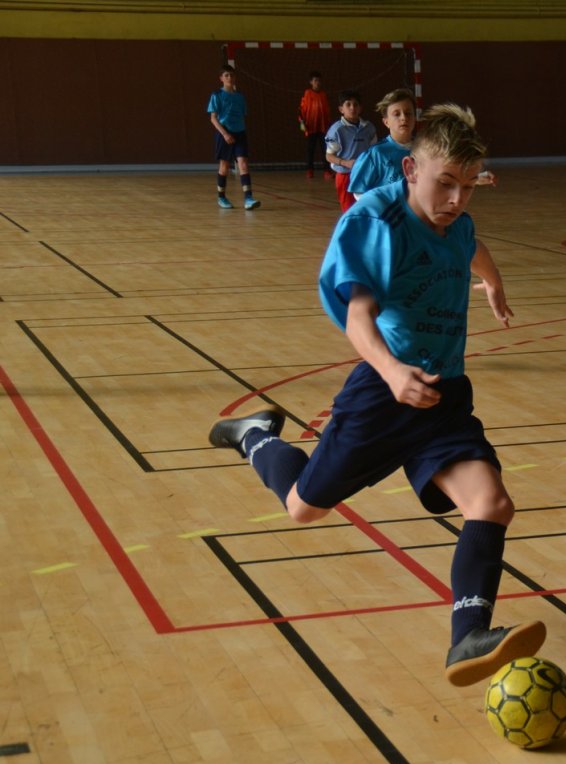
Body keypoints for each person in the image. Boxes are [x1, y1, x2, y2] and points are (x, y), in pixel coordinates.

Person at [208, 104, 543, 687]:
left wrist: (494, 283)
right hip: (384, 393)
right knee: (302, 509)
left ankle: (468, 638)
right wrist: (390, 372)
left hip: (443, 396)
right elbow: (359, 315)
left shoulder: (457, 224)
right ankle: (254, 434)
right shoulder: (376, 220)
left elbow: (471, 246)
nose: (457, 199)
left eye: (468, 187)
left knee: (492, 505)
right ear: (411, 168)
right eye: (445, 183)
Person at [206, 65, 260, 210]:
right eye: (227, 75)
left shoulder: (240, 97)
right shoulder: (216, 95)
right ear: (221, 78)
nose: (230, 78)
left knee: (243, 164)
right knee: (224, 166)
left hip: (240, 133)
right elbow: (213, 118)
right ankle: (221, 197)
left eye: (232, 75)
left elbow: (242, 115)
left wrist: (238, 131)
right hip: (224, 133)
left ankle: (248, 198)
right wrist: (225, 133)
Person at [347, 88, 418, 197]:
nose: (403, 118)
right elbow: (359, 192)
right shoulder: (376, 154)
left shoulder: (425, 150)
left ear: (415, 118)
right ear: (386, 122)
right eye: (396, 114)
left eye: (408, 113)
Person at [324, 89, 378, 212]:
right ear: (341, 109)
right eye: (348, 104)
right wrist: (345, 163)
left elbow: (374, 151)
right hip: (345, 175)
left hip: (365, 174)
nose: (352, 107)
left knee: (366, 209)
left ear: (360, 108)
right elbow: (329, 156)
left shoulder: (369, 128)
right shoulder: (336, 130)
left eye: (355, 104)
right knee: (349, 210)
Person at [299, 71, 331, 179]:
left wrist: (328, 126)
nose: (318, 83)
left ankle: (327, 171)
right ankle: (310, 170)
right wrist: (302, 122)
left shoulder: (323, 94)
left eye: (319, 81)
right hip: (311, 127)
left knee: (325, 149)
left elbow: (326, 111)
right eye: (315, 80)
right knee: (310, 150)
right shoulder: (307, 93)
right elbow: (302, 109)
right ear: (311, 82)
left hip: (322, 128)